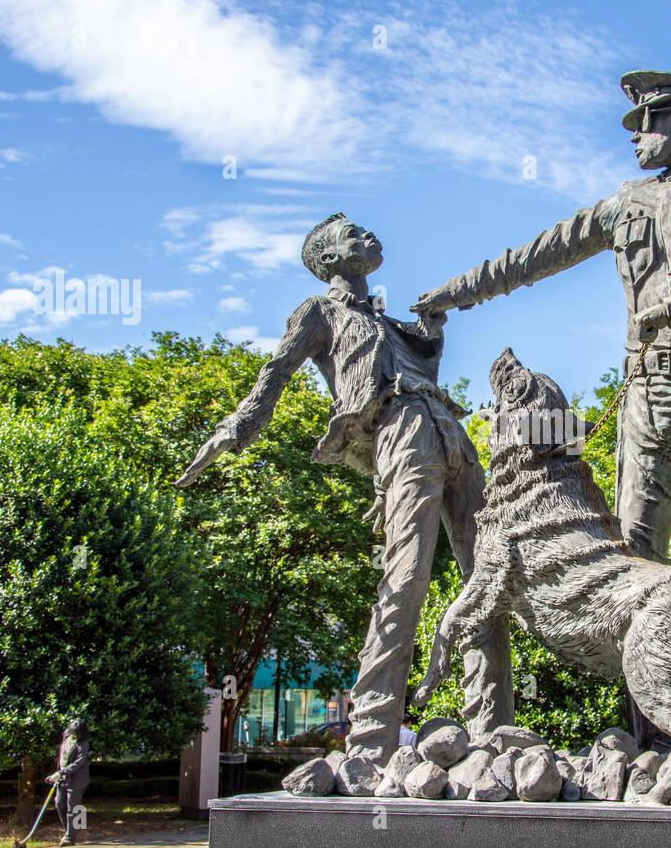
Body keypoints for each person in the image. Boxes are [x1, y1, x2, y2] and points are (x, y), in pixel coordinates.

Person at [411, 71, 671, 764]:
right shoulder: (627, 203)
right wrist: (451, 294)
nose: (636, 141)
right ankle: (662, 740)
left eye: (645, 126)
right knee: (635, 562)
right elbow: (535, 255)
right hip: (645, 395)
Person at [177, 215, 513, 769]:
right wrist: (231, 432)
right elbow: (274, 375)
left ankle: (492, 728)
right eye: (354, 234)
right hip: (400, 432)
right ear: (328, 260)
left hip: (449, 430)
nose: (371, 236)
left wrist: (431, 327)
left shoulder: (386, 318)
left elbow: (421, 362)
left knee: (490, 575)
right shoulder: (318, 313)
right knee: (406, 576)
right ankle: (372, 739)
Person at [46, 719, 90, 847]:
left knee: (74, 807)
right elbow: (63, 755)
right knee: (59, 803)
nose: (75, 735)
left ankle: (71, 837)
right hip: (63, 777)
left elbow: (79, 762)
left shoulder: (84, 743)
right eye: (74, 733)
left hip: (77, 779)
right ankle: (70, 831)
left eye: (77, 734)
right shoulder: (66, 735)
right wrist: (59, 773)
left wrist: (61, 772)